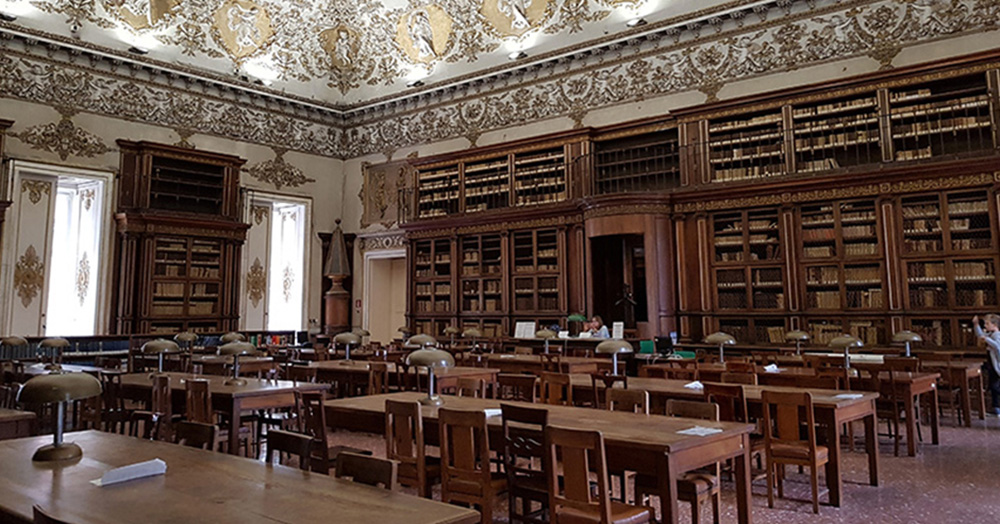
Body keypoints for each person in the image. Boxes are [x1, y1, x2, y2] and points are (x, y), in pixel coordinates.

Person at [973, 314, 1000, 415]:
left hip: (997, 365)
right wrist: (976, 325)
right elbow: (981, 336)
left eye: (987, 324)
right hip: (991, 365)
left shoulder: (997, 335)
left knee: (995, 387)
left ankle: (997, 408)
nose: (985, 326)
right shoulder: (991, 334)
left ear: (995, 325)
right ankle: (996, 408)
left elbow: (997, 347)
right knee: (993, 387)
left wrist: (987, 340)